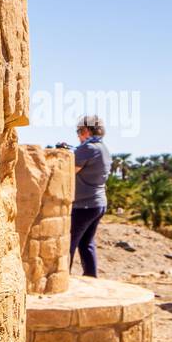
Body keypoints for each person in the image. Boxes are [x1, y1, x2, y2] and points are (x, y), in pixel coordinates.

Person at [70, 115, 111, 276]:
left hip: (84, 205)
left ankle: (61, 279)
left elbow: (69, 170)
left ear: (86, 130)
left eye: (78, 132)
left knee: (69, 244)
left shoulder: (88, 149)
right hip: (98, 203)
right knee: (87, 243)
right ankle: (91, 277)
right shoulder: (103, 148)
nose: (78, 136)